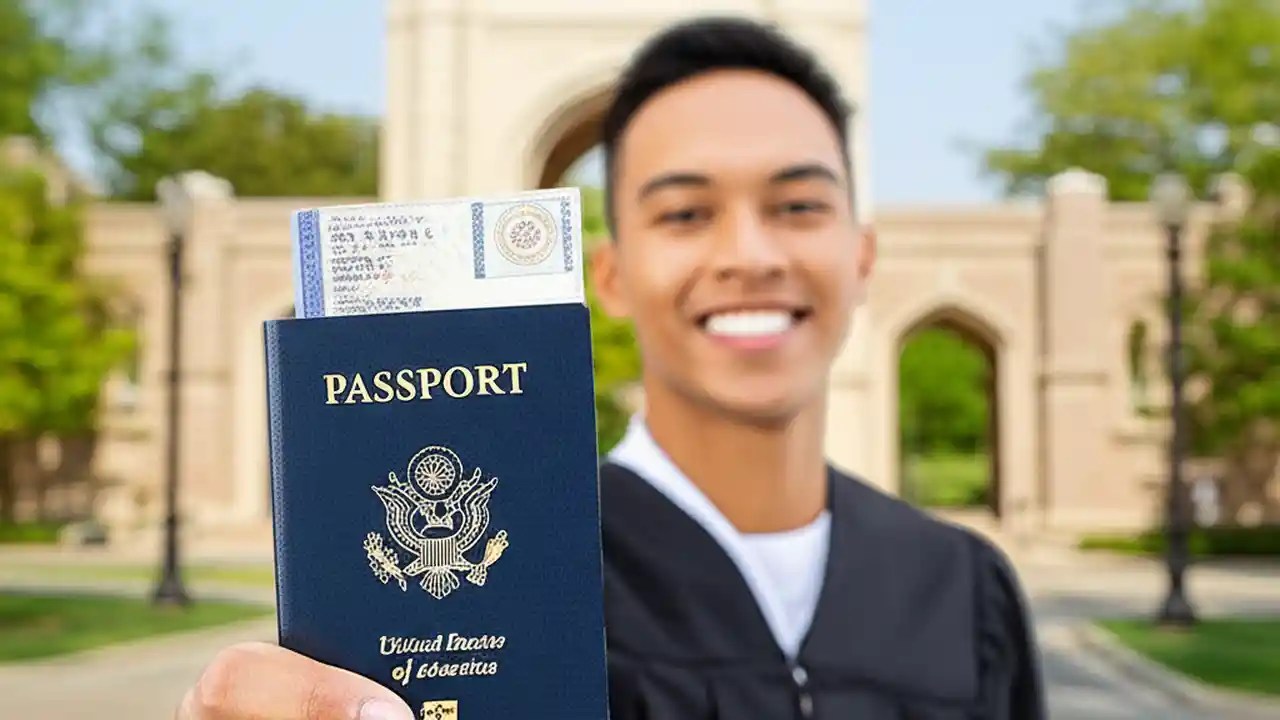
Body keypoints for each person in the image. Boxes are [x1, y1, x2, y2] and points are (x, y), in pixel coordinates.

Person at [176, 16, 1045, 720]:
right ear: (609, 276)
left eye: (798, 204)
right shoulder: (511, 580)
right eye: (685, 212)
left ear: (862, 255)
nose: (748, 253)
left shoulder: (962, 588)